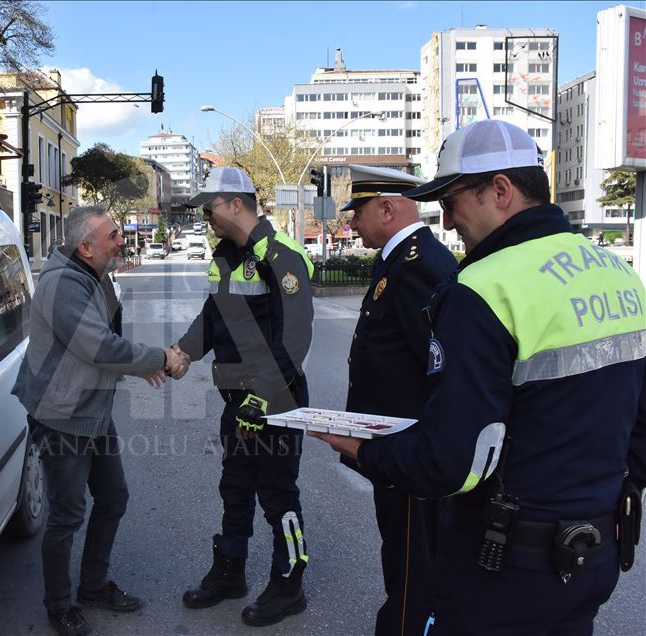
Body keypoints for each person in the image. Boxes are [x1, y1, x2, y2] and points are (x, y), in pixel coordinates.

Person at [311, 120, 646, 635]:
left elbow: (451, 463)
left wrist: (364, 449)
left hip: (504, 566)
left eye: (451, 201)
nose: (446, 221)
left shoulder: (483, 287)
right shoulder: (616, 272)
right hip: (593, 555)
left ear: (500, 189)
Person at [12, 205, 187, 636]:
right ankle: (59, 605)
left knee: (113, 497)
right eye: (113, 235)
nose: (121, 239)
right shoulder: (63, 286)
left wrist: (135, 363)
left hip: (90, 410)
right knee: (67, 516)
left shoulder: (93, 276)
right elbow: (99, 346)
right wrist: (160, 358)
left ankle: (92, 586)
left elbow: (106, 340)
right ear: (85, 247)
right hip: (61, 417)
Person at [174, 166, 315, 627]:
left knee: (278, 494)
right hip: (237, 398)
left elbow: (294, 338)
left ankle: (289, 580)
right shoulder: (227, 255)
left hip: (278, 400)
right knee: (234, 489)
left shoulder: (283, 254)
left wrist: (261, 399)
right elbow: (213, 317)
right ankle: (230, 571)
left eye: (210, 207)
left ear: (236, 204)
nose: (205, 217)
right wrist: (180, 353)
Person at [341, 164, 458, 636]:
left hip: (409, 449)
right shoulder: (398, 259)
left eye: (358, 212)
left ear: (387, 208)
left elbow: (438, 368)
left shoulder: (417, 266)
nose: (351, 222)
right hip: (395, 446)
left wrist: (421, 451)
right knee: (403, 557)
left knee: (412, 568)